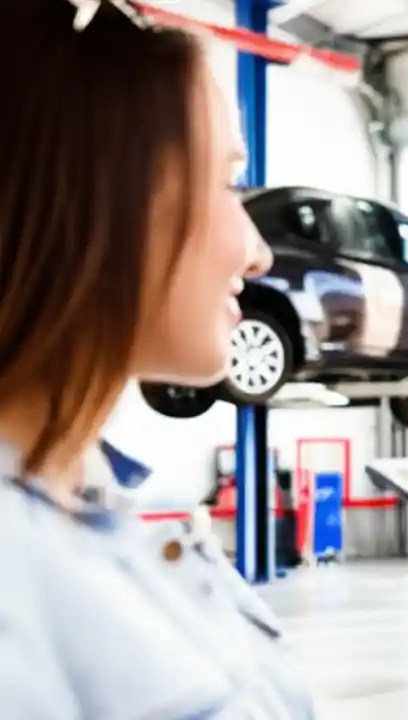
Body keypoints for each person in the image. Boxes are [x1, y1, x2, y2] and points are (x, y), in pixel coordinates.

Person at [0, 1, 313, 717]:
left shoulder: (132, 515)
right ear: (102, 198)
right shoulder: (14, 575)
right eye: (230, 185)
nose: (257, 251)